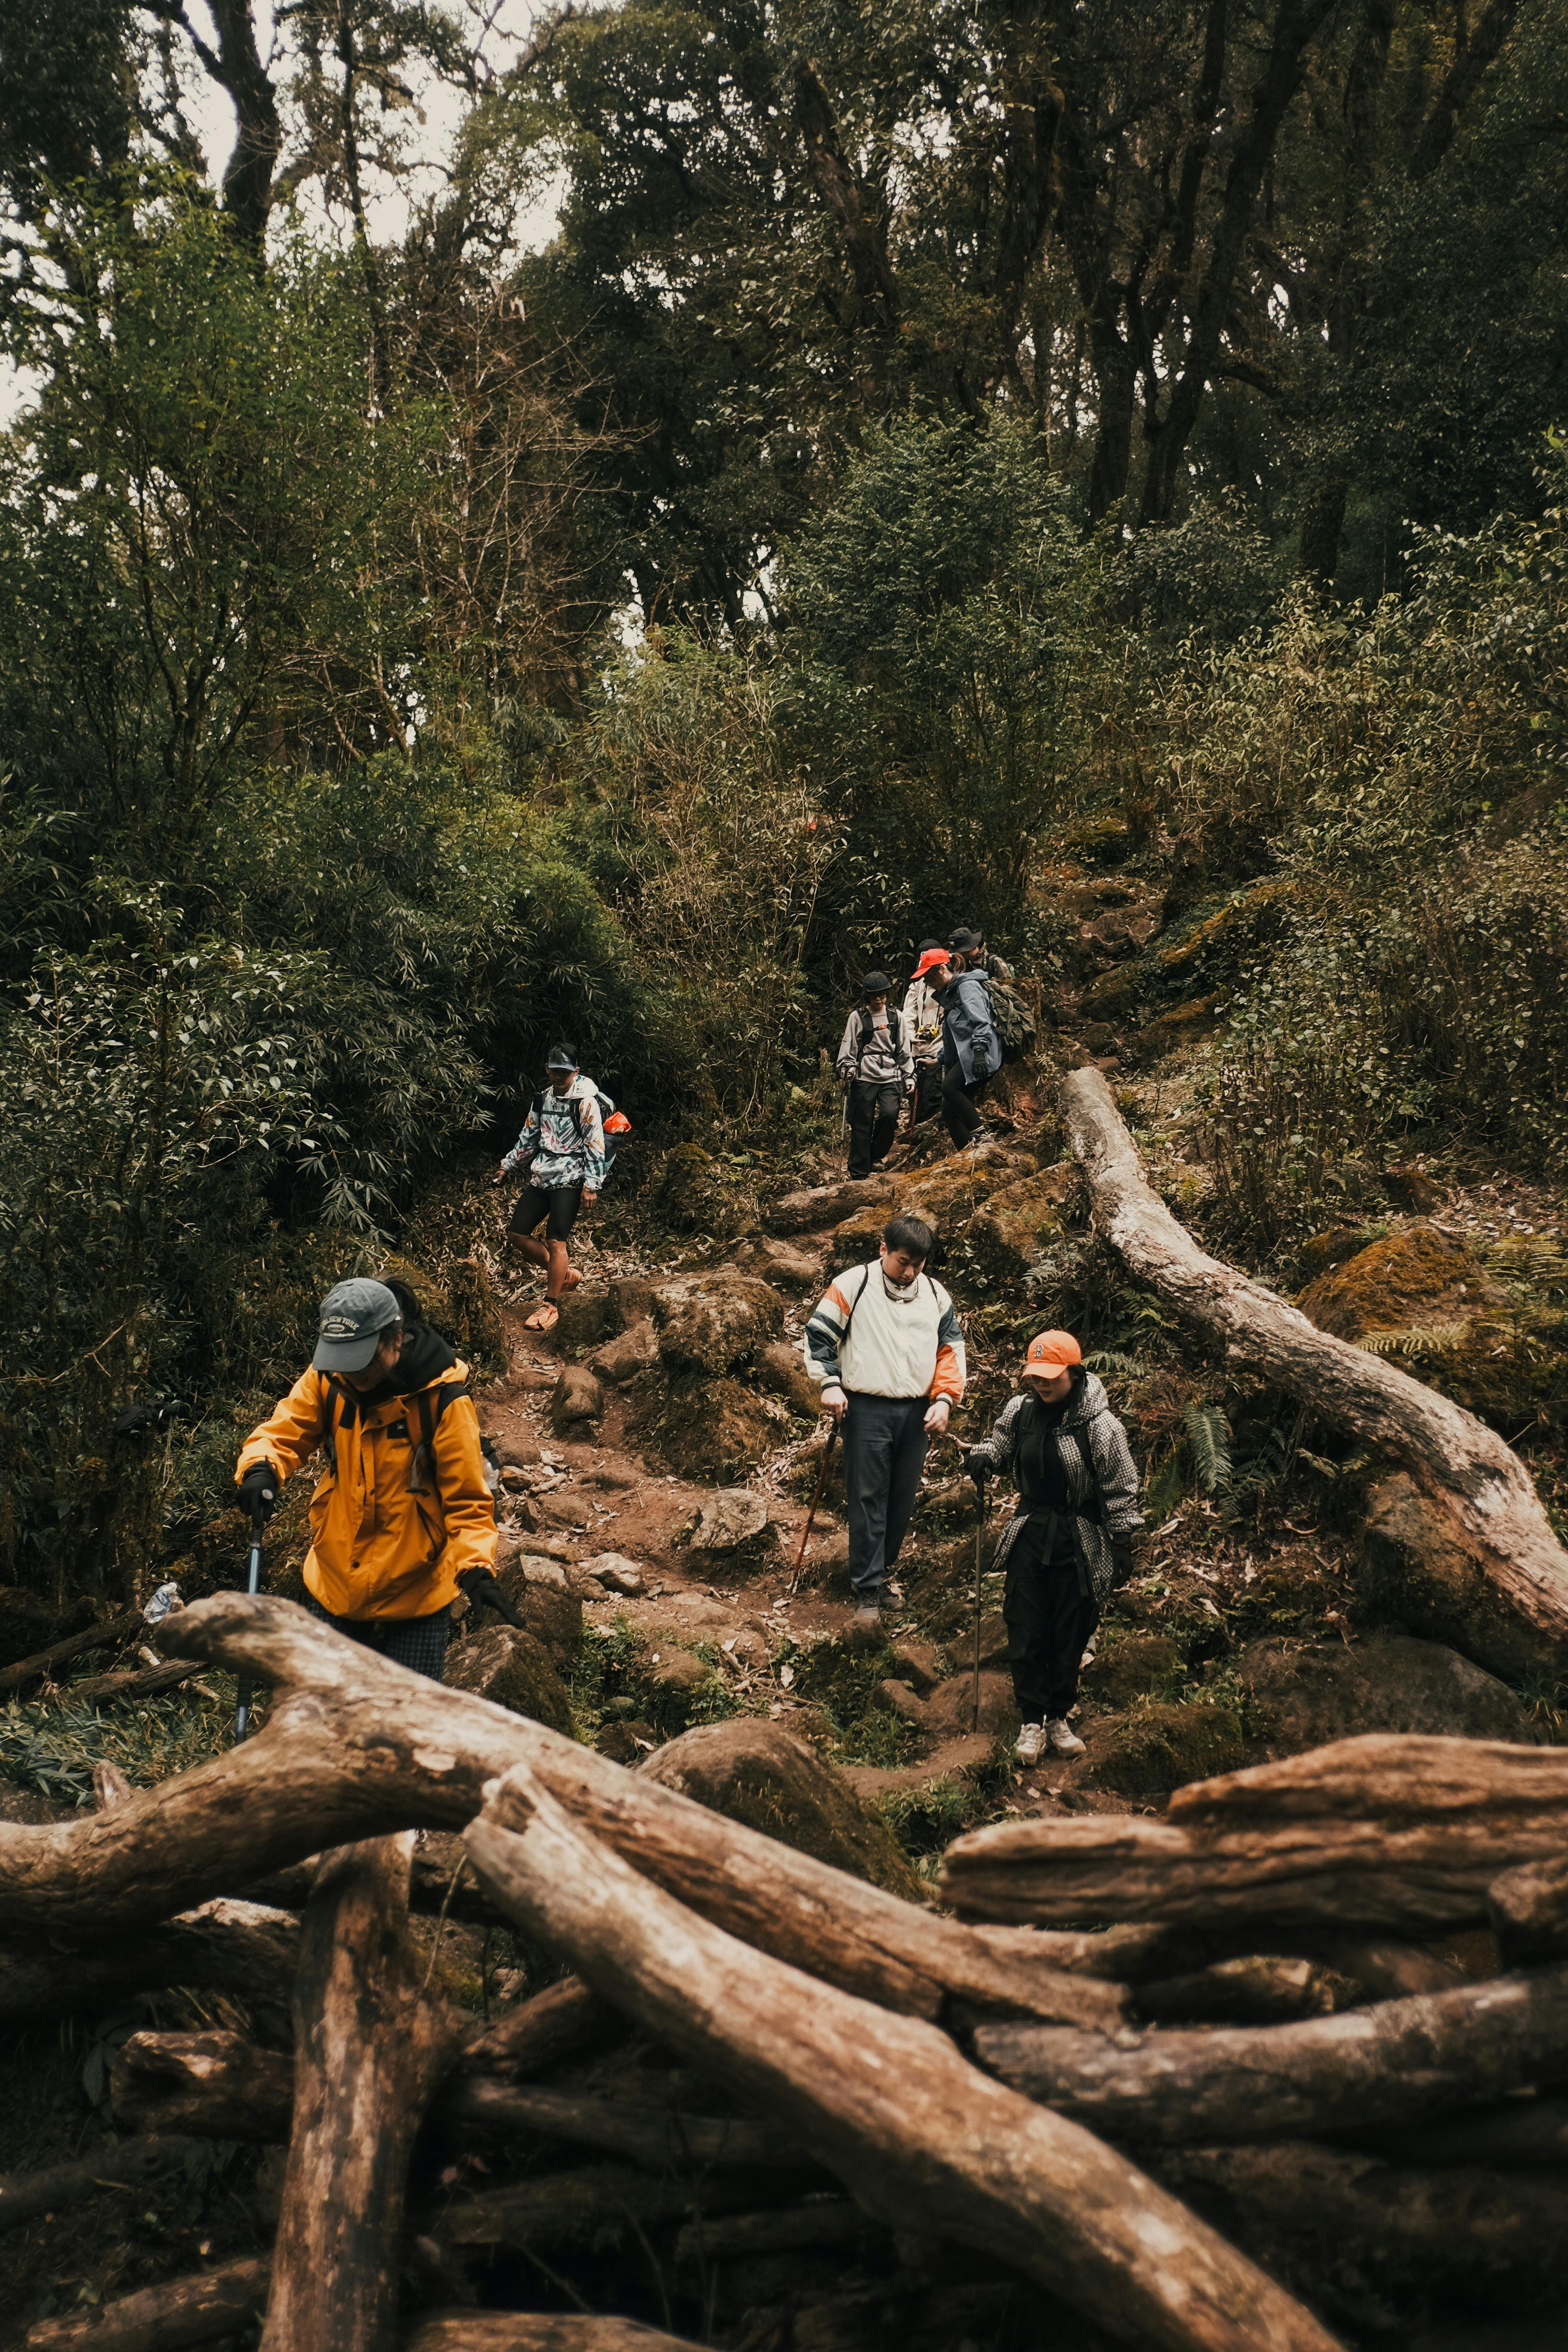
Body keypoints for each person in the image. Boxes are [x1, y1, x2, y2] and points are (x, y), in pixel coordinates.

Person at [234, 1277, 497, 1681]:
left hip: (418, 1588)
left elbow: (466, 1499)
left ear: (394, 1338)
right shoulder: (329, 1378)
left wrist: (476, 1566)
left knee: (408, 1717)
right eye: (340, 1357)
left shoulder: (444, 1401)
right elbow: (283, 1433)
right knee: (323, 1706)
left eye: (360, 1358)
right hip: (336, 1575)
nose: (350, 1372)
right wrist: (261, 1467)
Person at [962, 1330, 1143, 1762]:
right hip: (1029, 1531)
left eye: (1052, 1377)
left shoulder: (1101, 1426)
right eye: (1036, 1376)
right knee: (1025, 1625)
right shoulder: (1021, 1411)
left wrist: (1123, 1542)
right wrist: (984, 1456)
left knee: (1070, 1630)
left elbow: (1120, 1485)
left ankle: (1058, 1716)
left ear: (1074, 1373)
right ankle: (1031, 1722)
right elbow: (1001, 1444)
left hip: (1078, 1539)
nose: (1042, 1384)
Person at [802, 1213, 966, 1633]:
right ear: (883, 1250)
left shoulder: (934, 1294)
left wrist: (945, 1399)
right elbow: (820, 1335)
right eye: (902, 1261)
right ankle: (868, 1588)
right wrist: (830, 1385)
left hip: (916, 1413)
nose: (910, 1271)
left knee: (902, 1499)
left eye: (918, 1264)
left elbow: (950, 1349)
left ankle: (882, 1570)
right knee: (869, 1497)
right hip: (866, 1406)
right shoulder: (853, 1284)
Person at [493, 1043, 606, 1333]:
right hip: (542, 1174)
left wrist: (591, 1185)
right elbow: (528, 1136)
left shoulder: (585, 1102)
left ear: (576, 1071)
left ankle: (551, 1304)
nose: (559, 1076)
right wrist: (508, 1165)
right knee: (517, 1233)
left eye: (565, 1072)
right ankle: (565, 1274)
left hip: (572, 1177)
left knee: (557, 1240)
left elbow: (596, 1144)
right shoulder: (542, 1099)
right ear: (547, 1070)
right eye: (555, 1071)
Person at [834, 971, 915, 1180]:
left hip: (890, 1074)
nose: (880, 999)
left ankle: (875, 1155)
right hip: (864, 1076)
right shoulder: (857, 1017)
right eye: (875, 995)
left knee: (890, 1115)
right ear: (867, 996)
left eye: (884, 994)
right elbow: (849, 1045)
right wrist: (847, 1067)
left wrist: (909, 1076)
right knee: (862, 1122)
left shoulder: (896, 1017)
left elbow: (904, 1049)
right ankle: (859, 1172)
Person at [929, 953, 1003, 1151]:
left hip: (981, 1054)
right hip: (969, 1055)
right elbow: (957, 1035)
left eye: (930, 976)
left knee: (949, 1088)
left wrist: (980, 1052)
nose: (928, 982)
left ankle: (983, 1138)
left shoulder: (967, 986)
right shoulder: (950, 993)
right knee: (949, 1109)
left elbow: (981, 1021)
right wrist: (939, 1060)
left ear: (943, 969)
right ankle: (967, 1153)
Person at [903, 941, 947, 1127]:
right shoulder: (917, 986)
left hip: (939, 1046)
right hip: (917, 1047)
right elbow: (908, 1014)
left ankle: (929, 1132)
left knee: (933, 1093)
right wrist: (910, 1035)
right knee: (915, 1093)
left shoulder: (946, 984)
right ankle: (915, 1131)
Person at [949, 926, 1014, 983]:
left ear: (973, 947)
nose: (960, 955)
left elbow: (1009, 991)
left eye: (963, 952)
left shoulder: (994, 963)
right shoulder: (961, 965)